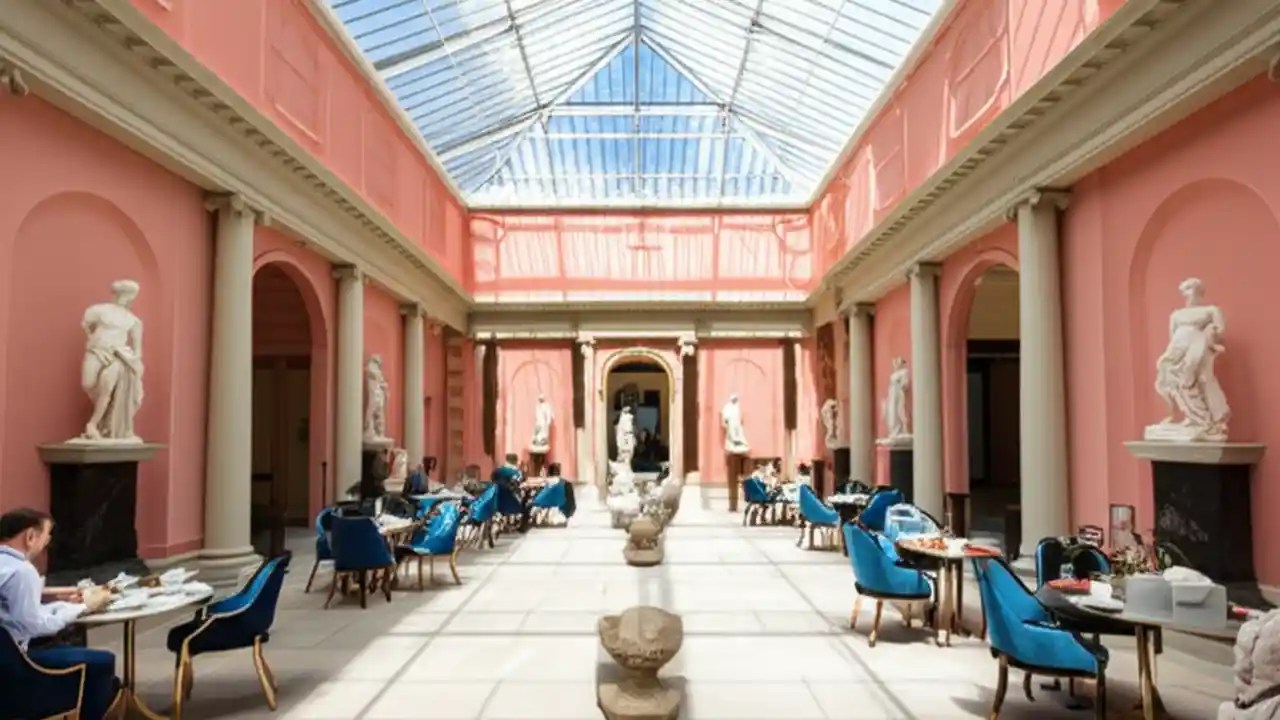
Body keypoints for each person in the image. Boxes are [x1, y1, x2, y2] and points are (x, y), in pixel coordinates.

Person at [0, 508, 120, 719]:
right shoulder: (22, 571)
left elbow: (12, 609)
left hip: (6, 655)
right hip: (17, 667)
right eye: (47, 535)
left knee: (66, 644)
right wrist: (84, 607)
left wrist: (60, 602)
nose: (48, 542)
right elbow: (35, 625)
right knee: (102, 661)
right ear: (30, 536)